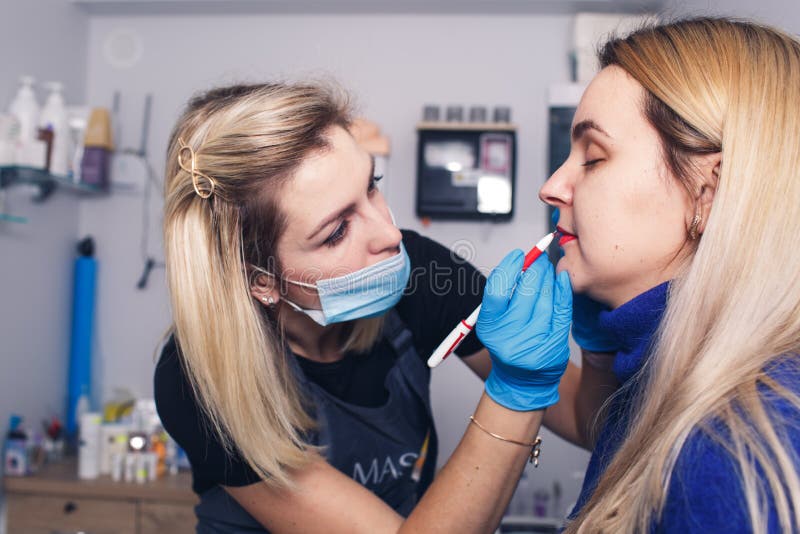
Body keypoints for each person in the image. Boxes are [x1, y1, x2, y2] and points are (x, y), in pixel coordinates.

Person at [154, 81, 573, 532]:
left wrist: (606, 329)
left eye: (372, 186)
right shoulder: (198, 380)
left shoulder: (420, 271)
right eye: (336, 232)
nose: (390, 235)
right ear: (262, 280)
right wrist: (513, 391)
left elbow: (583, 418)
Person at [482, 16, 800, 533]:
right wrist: (601, 353)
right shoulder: (665, 377)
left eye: (593, 158)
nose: (551, 186)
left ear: (708, 193)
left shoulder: (729, 455)